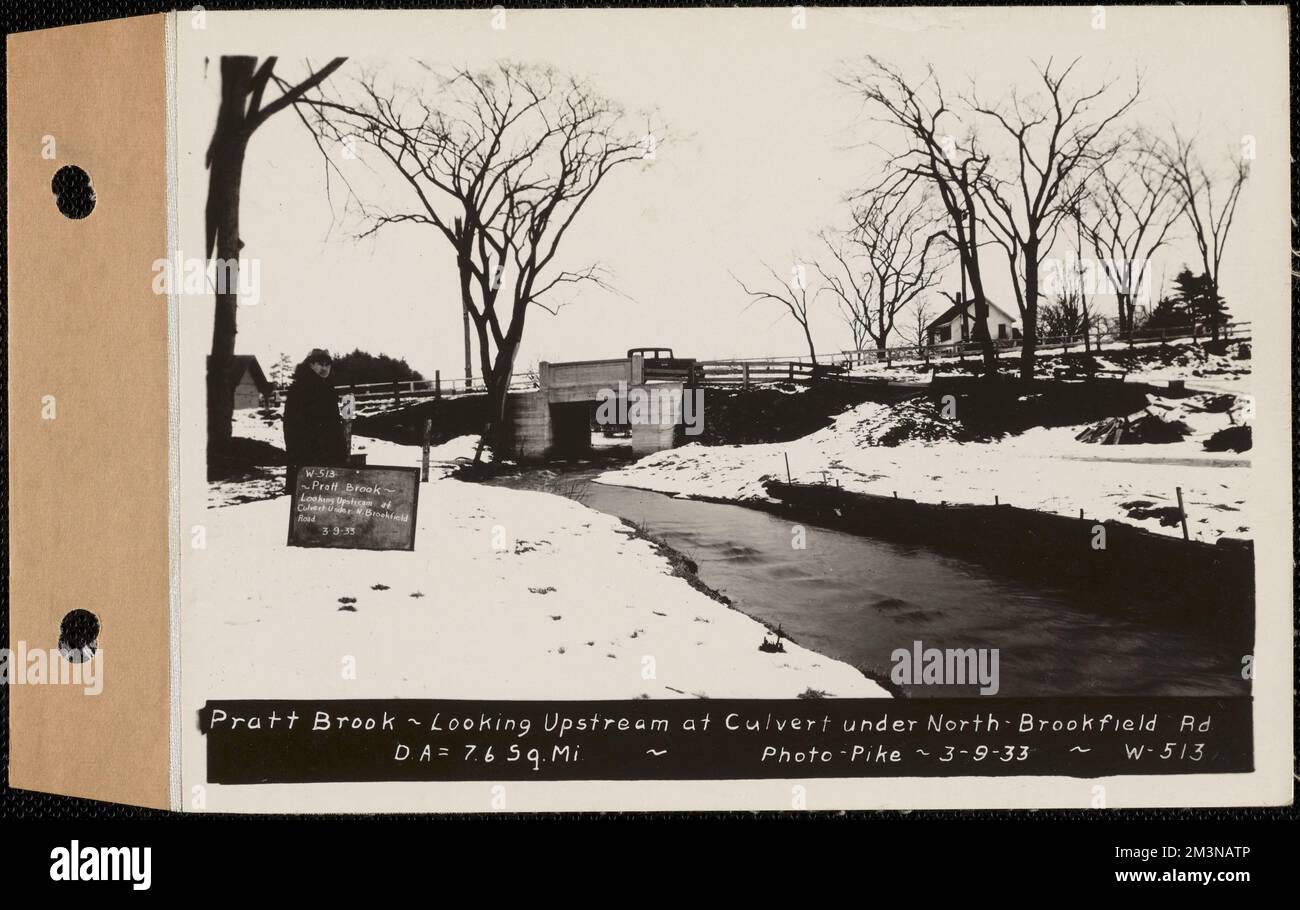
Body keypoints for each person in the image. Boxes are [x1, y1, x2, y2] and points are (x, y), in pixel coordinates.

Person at [283, 348, 348, 494]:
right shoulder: (299, 388)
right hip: (308, 453)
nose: (324, 368)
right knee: (307, 501)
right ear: (311, 365)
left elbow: (333, 422)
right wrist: (299, 453)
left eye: (327, 365)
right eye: (320, 364)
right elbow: (292, 424)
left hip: (328, 452)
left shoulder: (328, 387)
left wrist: (340, 448)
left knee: (324, 501)